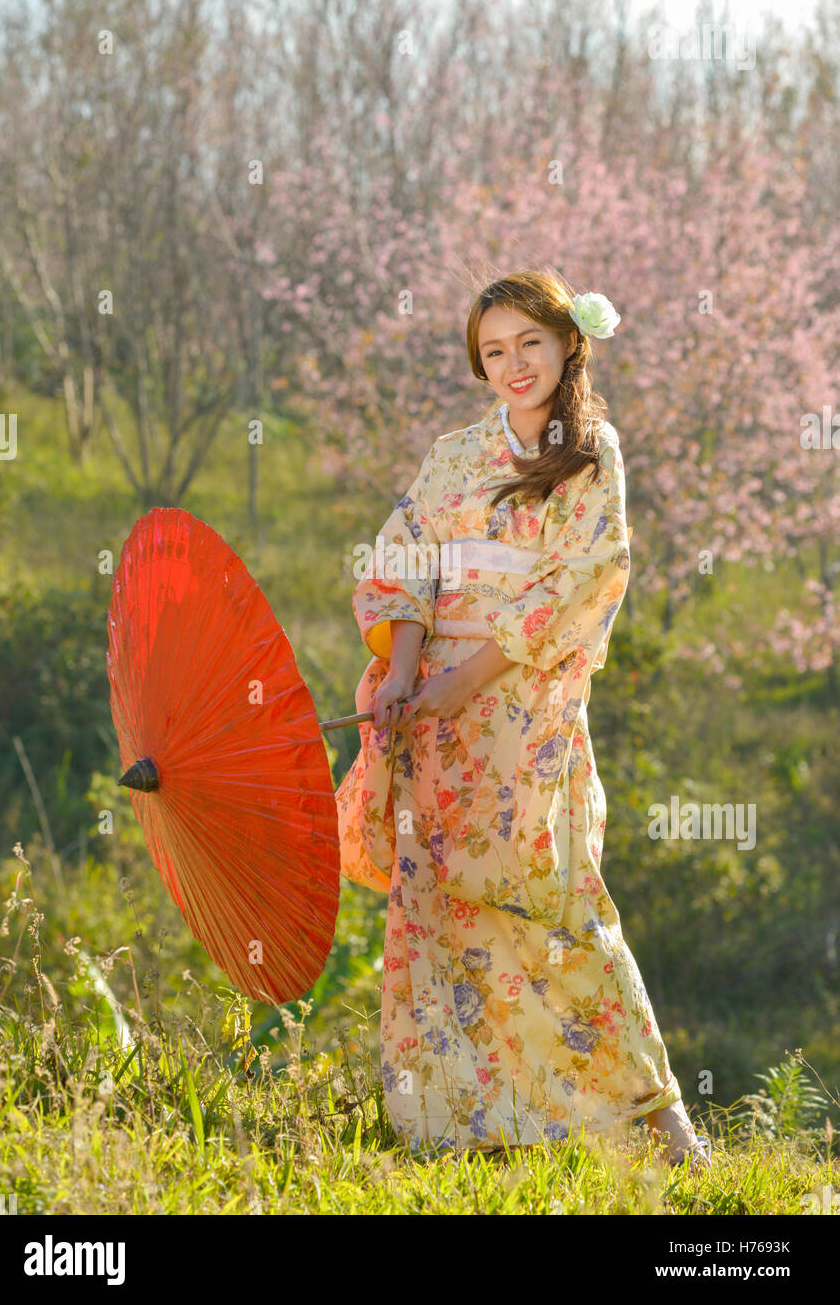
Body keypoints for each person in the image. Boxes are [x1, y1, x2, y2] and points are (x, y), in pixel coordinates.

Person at [335, 268, 711, 1176]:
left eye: (528, 344)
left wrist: (468, 677)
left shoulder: (591, 454)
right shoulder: (453, 457)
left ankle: (665, 1126)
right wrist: (405, 672)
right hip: (434, 713)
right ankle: (467, 1127)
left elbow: (587, 575)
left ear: (567, 344)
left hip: (525, 705)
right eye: (494, 351)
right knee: (438, 907)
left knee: (559, 903)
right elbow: (405, 563)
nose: (513, 365)